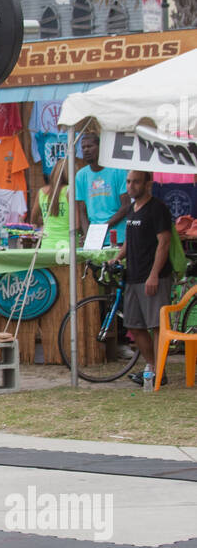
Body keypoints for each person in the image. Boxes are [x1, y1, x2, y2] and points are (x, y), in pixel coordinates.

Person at [115, 171, 173, 387]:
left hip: (153, 276)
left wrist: (154, 274)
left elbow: (164, 243)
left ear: (148, 184)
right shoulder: (131, 209)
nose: (131, 186)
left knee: (157, 326)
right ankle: (153, 367)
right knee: (134, 325)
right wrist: (117, 257)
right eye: (129, 182)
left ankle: (158, 373)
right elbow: (129, 241)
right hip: (133, 275)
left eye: (136, 182)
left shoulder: (158, 209)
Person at [75, 133, 129, 244]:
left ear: (101, 148)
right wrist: (88, 234)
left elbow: (126, 205)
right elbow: (82, 210)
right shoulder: (81, 175)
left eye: (90, 146)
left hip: (117, 236)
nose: (86, 150)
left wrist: (104, 227)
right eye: (83, 147)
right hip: (94, 238)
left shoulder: (118, 170)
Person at [31, 158, 70, 251]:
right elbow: (77, 221)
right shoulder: (70, 190)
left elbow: (33, 220)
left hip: (47, 245)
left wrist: (45, 224)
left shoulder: (42, 192)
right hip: (68, 244)